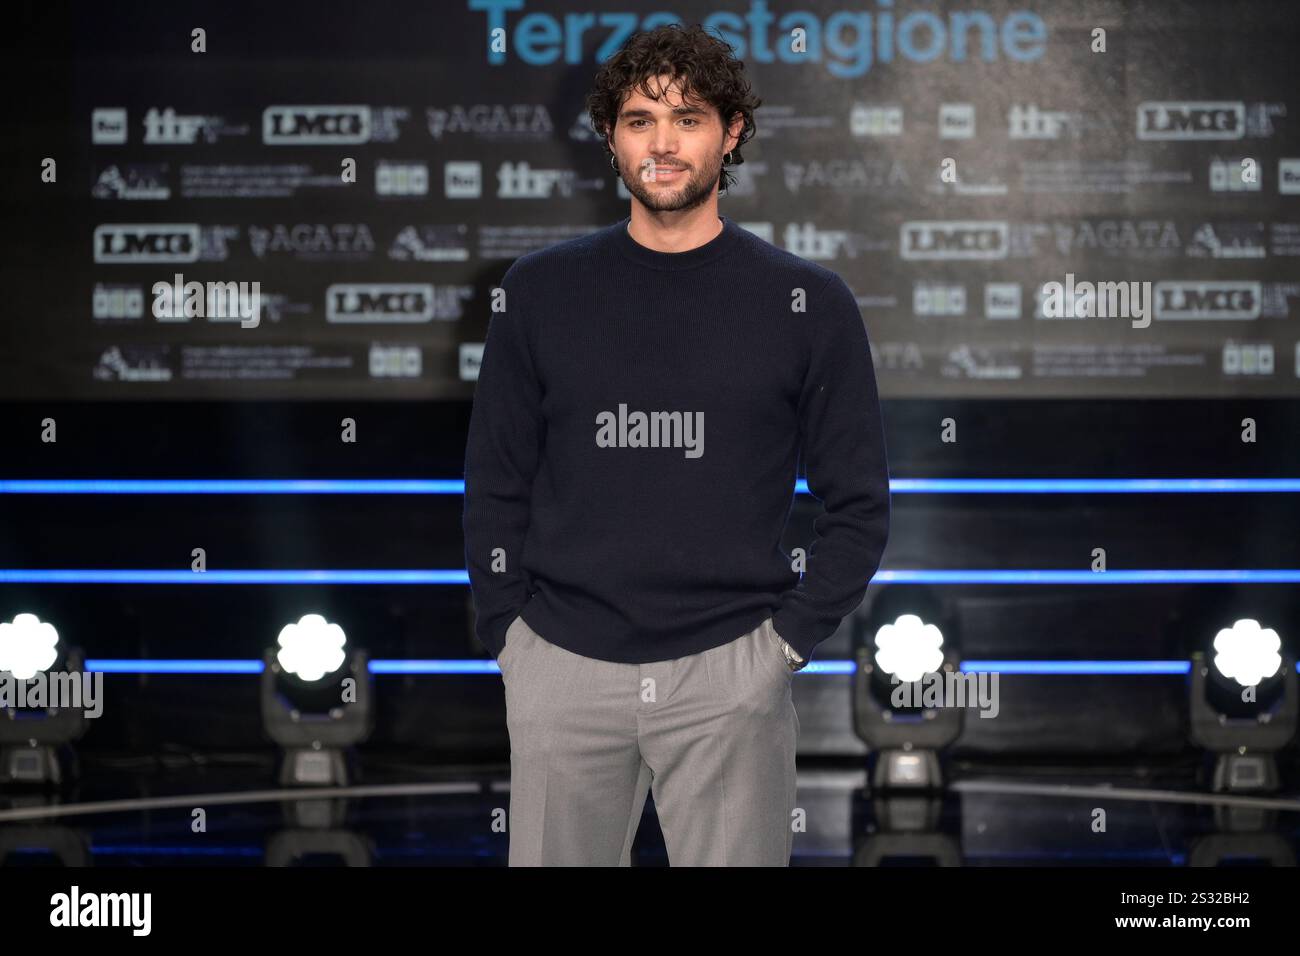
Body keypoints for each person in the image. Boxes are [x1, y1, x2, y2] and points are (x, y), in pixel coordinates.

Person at [463, 23, 890, 865]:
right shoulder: (539, 293)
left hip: (732, 671)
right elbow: (495, 482)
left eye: (686, 118)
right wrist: (512, 639)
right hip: (561, 668)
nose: (662, 143)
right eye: (637, 120)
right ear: (612, 138)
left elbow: (860, 505)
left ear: (730, 133)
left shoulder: (807, 302)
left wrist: (783, 645)